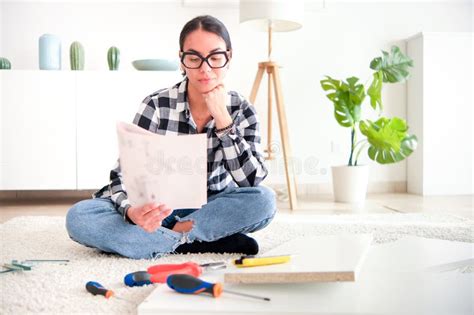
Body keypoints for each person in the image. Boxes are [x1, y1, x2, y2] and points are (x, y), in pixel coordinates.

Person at [66, 15, 276, 260]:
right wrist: (131, 212)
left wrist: (223, 119)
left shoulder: (242, 109)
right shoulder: (156, 105)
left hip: (212, 208)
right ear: (182, 60)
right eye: (194, 58)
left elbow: (252, 180)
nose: (205, 68)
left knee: (265, 201)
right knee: (79, 217)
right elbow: (123, 173)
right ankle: (193, 240)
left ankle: (164, 239)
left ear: (228, 58)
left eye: (215, 58)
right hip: (158, 209)